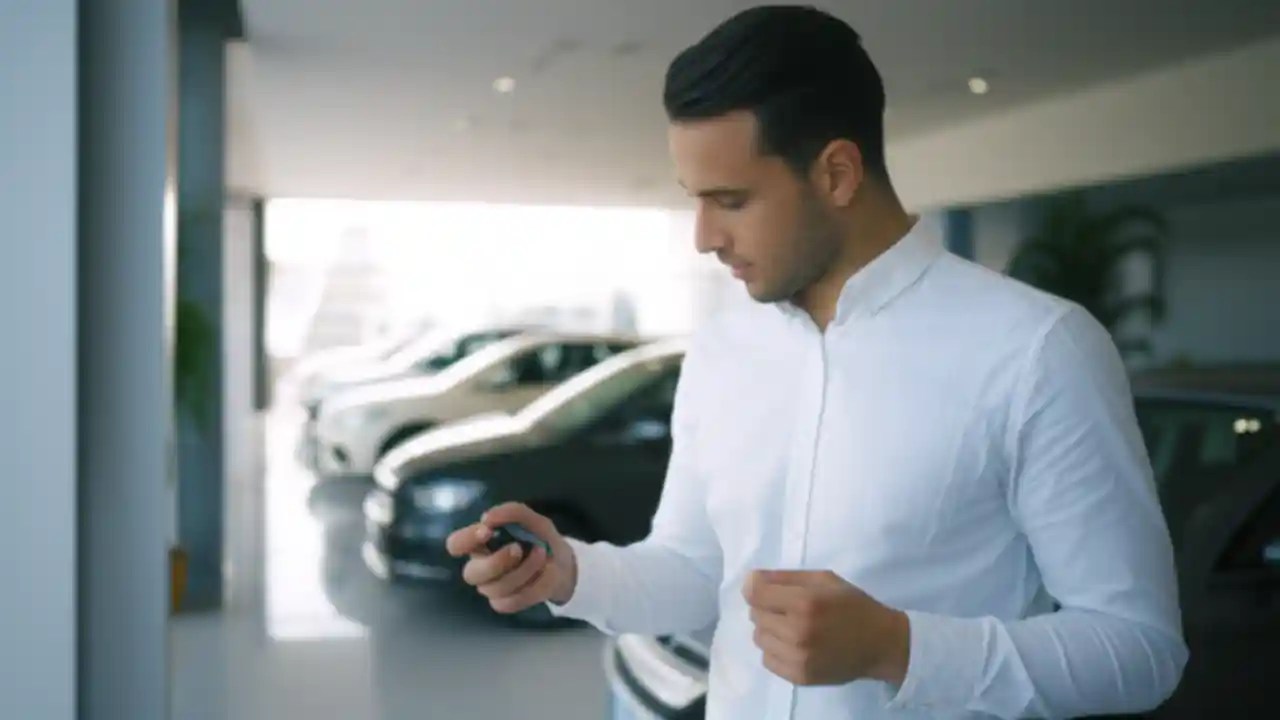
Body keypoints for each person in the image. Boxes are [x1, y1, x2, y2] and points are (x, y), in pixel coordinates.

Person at [447, 6, 1187, 718]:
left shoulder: (1037, 350)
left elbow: (1139, 648)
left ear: (836, 174)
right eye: (694, 200)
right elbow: (699, 572)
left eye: (730, 200)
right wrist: (572, 573)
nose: (702, 237)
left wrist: (900, 647)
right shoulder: (722, 349)